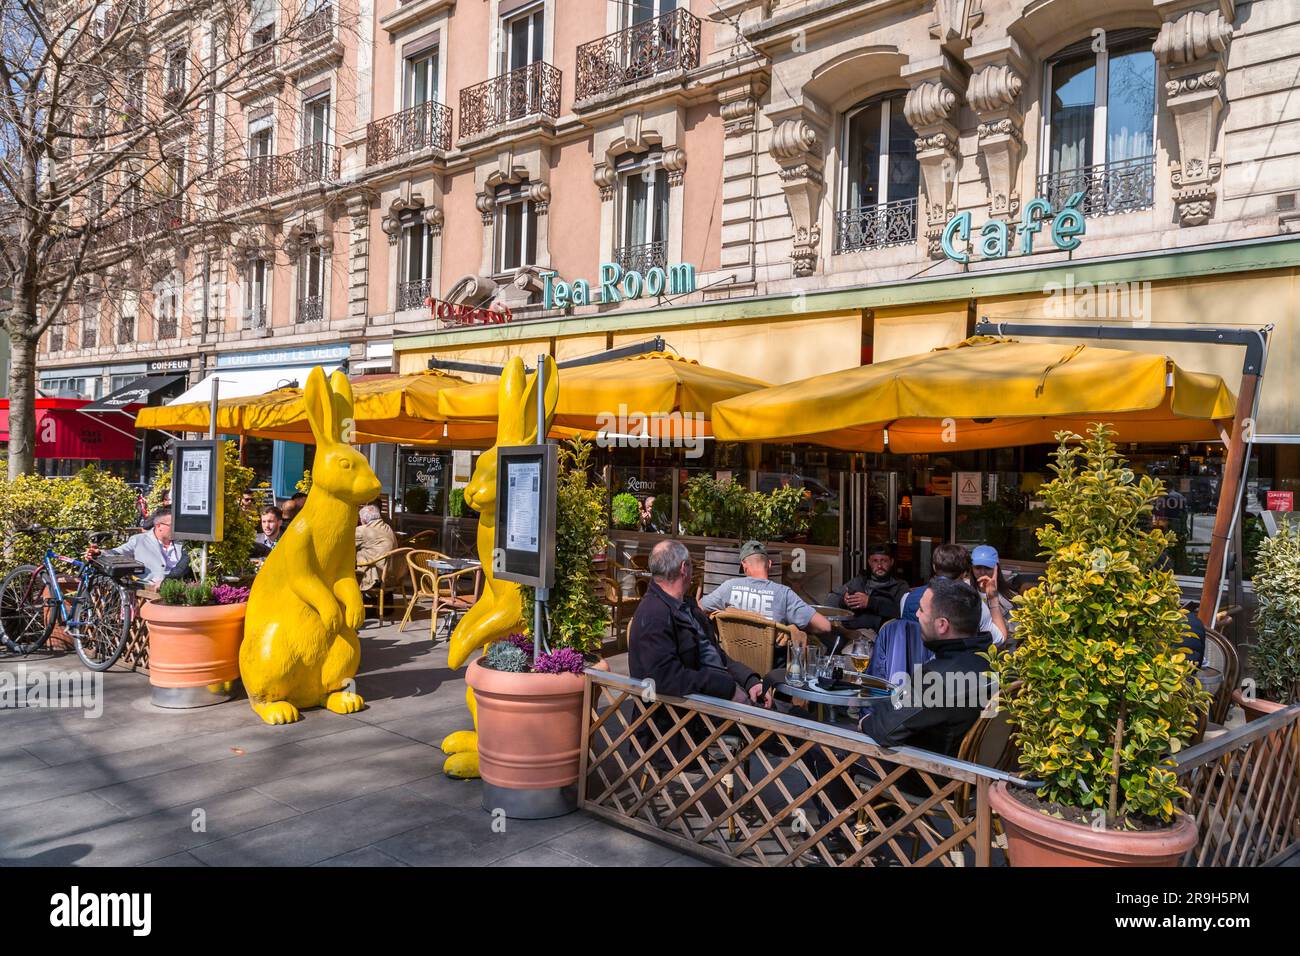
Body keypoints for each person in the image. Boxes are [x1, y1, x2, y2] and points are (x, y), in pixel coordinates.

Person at [858, 577, 995, 755]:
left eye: (921, 610)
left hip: (924, 775)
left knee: (820, 752)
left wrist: (865, 721)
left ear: (942, 625)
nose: (916, 615)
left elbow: (885, 730)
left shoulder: (937, 678)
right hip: (971, 774)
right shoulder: (992, 664)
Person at [629, 540, 770, 707]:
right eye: (691, 565)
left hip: (724, 699)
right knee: (796, 724)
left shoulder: (687, 607)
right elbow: (662, 677)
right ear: (684, 568)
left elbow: (716, 655)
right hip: (694, 716)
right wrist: (727, 689)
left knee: (794, 714)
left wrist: (749, 680)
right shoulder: (654, 614)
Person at [700, 540, 833, 650]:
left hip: (733, 666)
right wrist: (792, 628)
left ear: (744, 565)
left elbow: (699, 607)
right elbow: (825, 626)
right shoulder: (783, 593)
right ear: (769, 564)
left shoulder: (728, 587)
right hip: (771, 669)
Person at [901, 543, 1005, 645]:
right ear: (965, 573)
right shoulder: (973, 602)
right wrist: (993, 598)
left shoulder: (906, 598)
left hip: (914, 660)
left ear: (934, 567)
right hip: (955, 661)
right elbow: (1000, 638)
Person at [86, 507, 189, 586]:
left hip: (180, 586)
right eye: (173, 525)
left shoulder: (182, 543)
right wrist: (100, 553)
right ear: (159, 526)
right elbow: (118, 552)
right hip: (150, 588)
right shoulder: (139, 540)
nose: (176, 528)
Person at [824, 543, 908, 634]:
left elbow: (901, 611)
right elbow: (830, 602)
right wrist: (844, 601)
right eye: (875, 561)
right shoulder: (860, 580)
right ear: (869, 562)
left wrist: (870, 602)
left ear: (891, 562)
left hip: (883, 635)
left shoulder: (900, 586)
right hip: (851, 633)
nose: (879, 566)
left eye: (884, 561)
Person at [970, 545, 1017, 640]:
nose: (982, 572)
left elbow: (1014, 635)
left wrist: (992, 597)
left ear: (996, 569)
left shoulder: (1012, 597)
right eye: (978, 567)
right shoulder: (962, 590)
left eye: (988, 568)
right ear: (971, 568)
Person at [355, 503, 398, 591]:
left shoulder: (363, 530)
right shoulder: (388, 527)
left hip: (377, 576)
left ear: (363, 519)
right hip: (394, 574)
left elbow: (347, 544)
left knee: (359, 554)